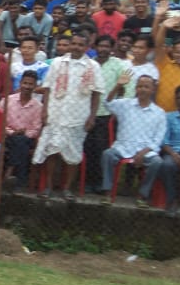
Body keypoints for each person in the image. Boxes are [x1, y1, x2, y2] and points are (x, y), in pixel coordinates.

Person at [32, 31, 104, 200]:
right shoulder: (57, 63)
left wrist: (92, 116)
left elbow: (96, 93)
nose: (77, 47)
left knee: (73, 153)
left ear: (86, 47)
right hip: (56, 113)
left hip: (78, 116)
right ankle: (49, 186)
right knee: (52, 150)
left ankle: (67, 188)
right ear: (70, 45)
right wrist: (44, 110)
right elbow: (48, 87)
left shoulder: (93, 66)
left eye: (81, 45)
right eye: (74, 44)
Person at [100, 73, 165, 206]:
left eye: (146, 87)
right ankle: (108, 192)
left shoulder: (159, 113)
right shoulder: (125, 104)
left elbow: (158, 140)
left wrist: (143, 152)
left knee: (157, 162)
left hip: (145, 151)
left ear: (153, 90)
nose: (142, 89)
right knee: (107, 154)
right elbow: (107, 103)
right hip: (122, 147)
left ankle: (142, 195)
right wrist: (118, 85)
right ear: (136, 88)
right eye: (140, 86)